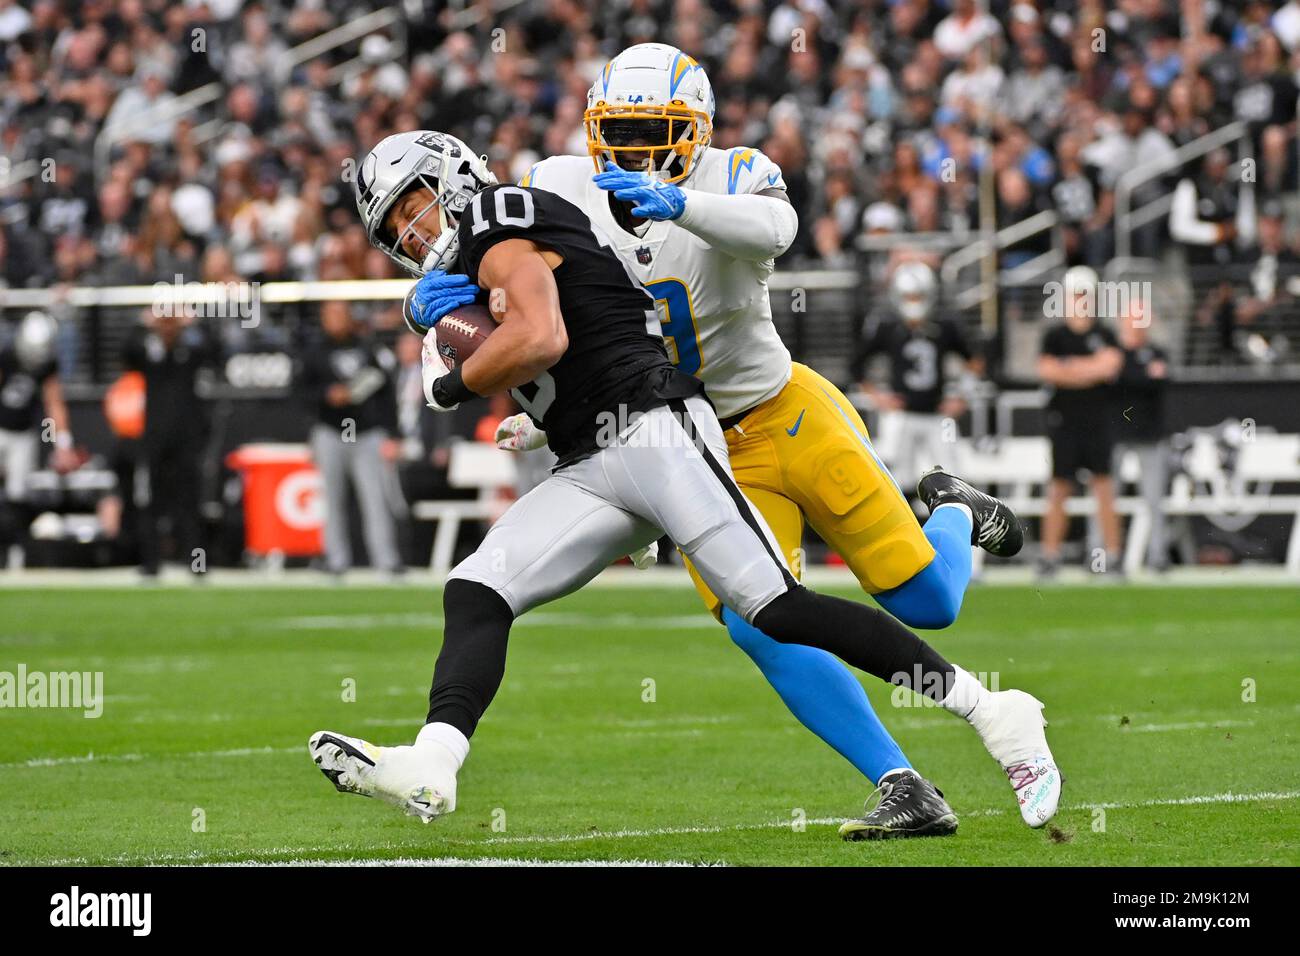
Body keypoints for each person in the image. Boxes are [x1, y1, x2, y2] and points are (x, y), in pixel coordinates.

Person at [307, 128, 1061, 836]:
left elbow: (541, 338)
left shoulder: (501, 212)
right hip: (591, 459)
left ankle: (994, 711)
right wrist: (506, 382)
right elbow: (571, 345)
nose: (412, 232)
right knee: (477, 589)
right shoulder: (478, 255)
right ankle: (432, 764)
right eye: (394, 229)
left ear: (455, 176)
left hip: (655, 428)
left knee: (775, 608)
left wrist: (449, 383)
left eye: (415, 204)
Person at [491, 45, 1025, 837]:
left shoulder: (732, 174)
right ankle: (902, 782)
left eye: (655, 131)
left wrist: (680, 206)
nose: (636, 151)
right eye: (622, 132)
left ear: (694, 131)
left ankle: (950, 507)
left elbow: (776, 229)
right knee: (759, 619)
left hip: (781, 409)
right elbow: (570, 327)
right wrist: (544, 413)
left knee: (929, 603)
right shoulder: (559, 186)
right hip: (684, 444)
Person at [854, 261, 983, 490]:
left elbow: (975, 361)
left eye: (918, 296)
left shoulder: (944, 325)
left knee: (953, 482)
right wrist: (878, 397)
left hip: (937, 414)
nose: (914, 303)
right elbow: (856, 365)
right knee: (894, 484)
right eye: (908, 296)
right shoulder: (888, 326)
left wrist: (962, 396)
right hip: (900, 414)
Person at [298, 301, 403, 577]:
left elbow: (386, 393)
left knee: (376, 498)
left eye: (342, 314)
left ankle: (386, 560)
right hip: (330, 432)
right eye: (332, 315)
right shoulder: (314, 352)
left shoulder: (368, 348)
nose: (338, 320)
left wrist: (392, 433)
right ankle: (336, 560)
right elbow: (298, 394)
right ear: (323, 319)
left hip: (367, 433)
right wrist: (326, 395)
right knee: (332, 499)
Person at [1037, 266, 1125, 578]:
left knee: (1104, 487)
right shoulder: (1055, 336)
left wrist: (1071, 369)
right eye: (1076, 295)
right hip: (1065, 422)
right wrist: (1089, 369)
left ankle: (1114, 556)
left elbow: (1110, 367)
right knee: (1059, 488)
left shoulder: (1105, 334)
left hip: (1097, 422)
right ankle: (1050, 556)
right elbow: (1048, 371)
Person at [121, 307, 216, 577]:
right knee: (151, 503)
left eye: (172, 324)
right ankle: (151, 565)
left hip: (186, 440)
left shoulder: (189, 354)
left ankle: (196, 563)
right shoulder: (151, 358)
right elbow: (127, 352)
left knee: (190, 504)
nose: (168, 329)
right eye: (164, 325)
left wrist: (195, 324)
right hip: (155, 440)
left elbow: (212, 349)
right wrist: (142, 324)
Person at [0, 312, 79, 563]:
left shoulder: (48, 365)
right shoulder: (7, 355)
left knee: (17, 497)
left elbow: (54, 404)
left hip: (24, 434)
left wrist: (63, 444)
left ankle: (14, 554)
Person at [1114, 302, 1171, 571]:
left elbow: (1160, 380)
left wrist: (1133, 377)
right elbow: (1119, 379)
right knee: (1106, 497)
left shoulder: (1156, 351)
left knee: (1154, 499)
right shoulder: (1114, 351)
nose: (1136, 324)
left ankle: (1158, 557)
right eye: (1132, 318)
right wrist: (1141, 376)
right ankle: (1103, 555)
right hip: (1115, 435)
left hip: (1150, 435)